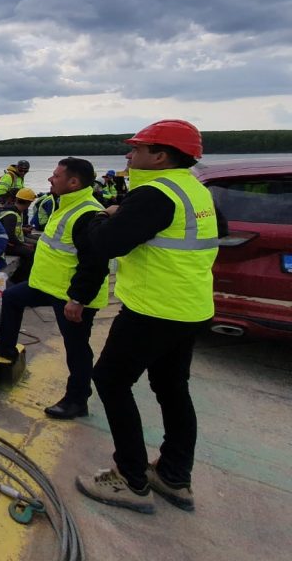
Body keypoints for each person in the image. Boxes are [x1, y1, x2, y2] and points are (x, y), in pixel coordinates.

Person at [75, 120, 219, 515]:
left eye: (137, 149)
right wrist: (126, 214)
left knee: (110, 380)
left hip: (154, 309)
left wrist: (105, 216)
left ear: (160, 155)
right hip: (190, 308)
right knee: (172, 387)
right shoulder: (195, 189)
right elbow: (215, 231)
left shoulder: (154, 194)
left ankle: (131, 478)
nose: (129, 155)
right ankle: (173, 475)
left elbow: (103, 242)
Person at [0, 159, 110, 419]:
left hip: (70, 295)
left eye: (56, 175)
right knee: (14, 298)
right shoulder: (67, 204)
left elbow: (95, 263)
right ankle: (6, 346)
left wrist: (78, 299)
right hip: (49, 285)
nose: (50, 179)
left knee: (77, 348)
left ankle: (77, 400)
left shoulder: (86, 214)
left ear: (73, 182)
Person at [0, 187, 37, 283]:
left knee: (36, 245)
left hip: (11, 243)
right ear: (28, 203)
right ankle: (21, 279)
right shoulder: (11, 215)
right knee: (29, 253)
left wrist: (23, 229)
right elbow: (9, 236)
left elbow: (12, 229)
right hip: (5, 246)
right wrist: (24, 245)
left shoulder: (15, 212)